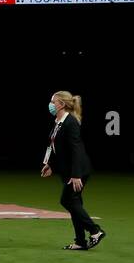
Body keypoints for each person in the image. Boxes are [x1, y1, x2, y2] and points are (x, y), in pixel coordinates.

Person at [43, 91, 105, 251]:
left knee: (67, 201)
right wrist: (50, 164)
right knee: (74, 204)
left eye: (53, 101)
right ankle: (80, 241)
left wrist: (76, 175)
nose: (50, 104)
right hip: (68, 171)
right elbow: (57, 148)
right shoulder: (59, 122)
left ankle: (95, 231)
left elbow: (76, 150)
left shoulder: (71, 122)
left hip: (78, 171)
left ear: (61, 104)